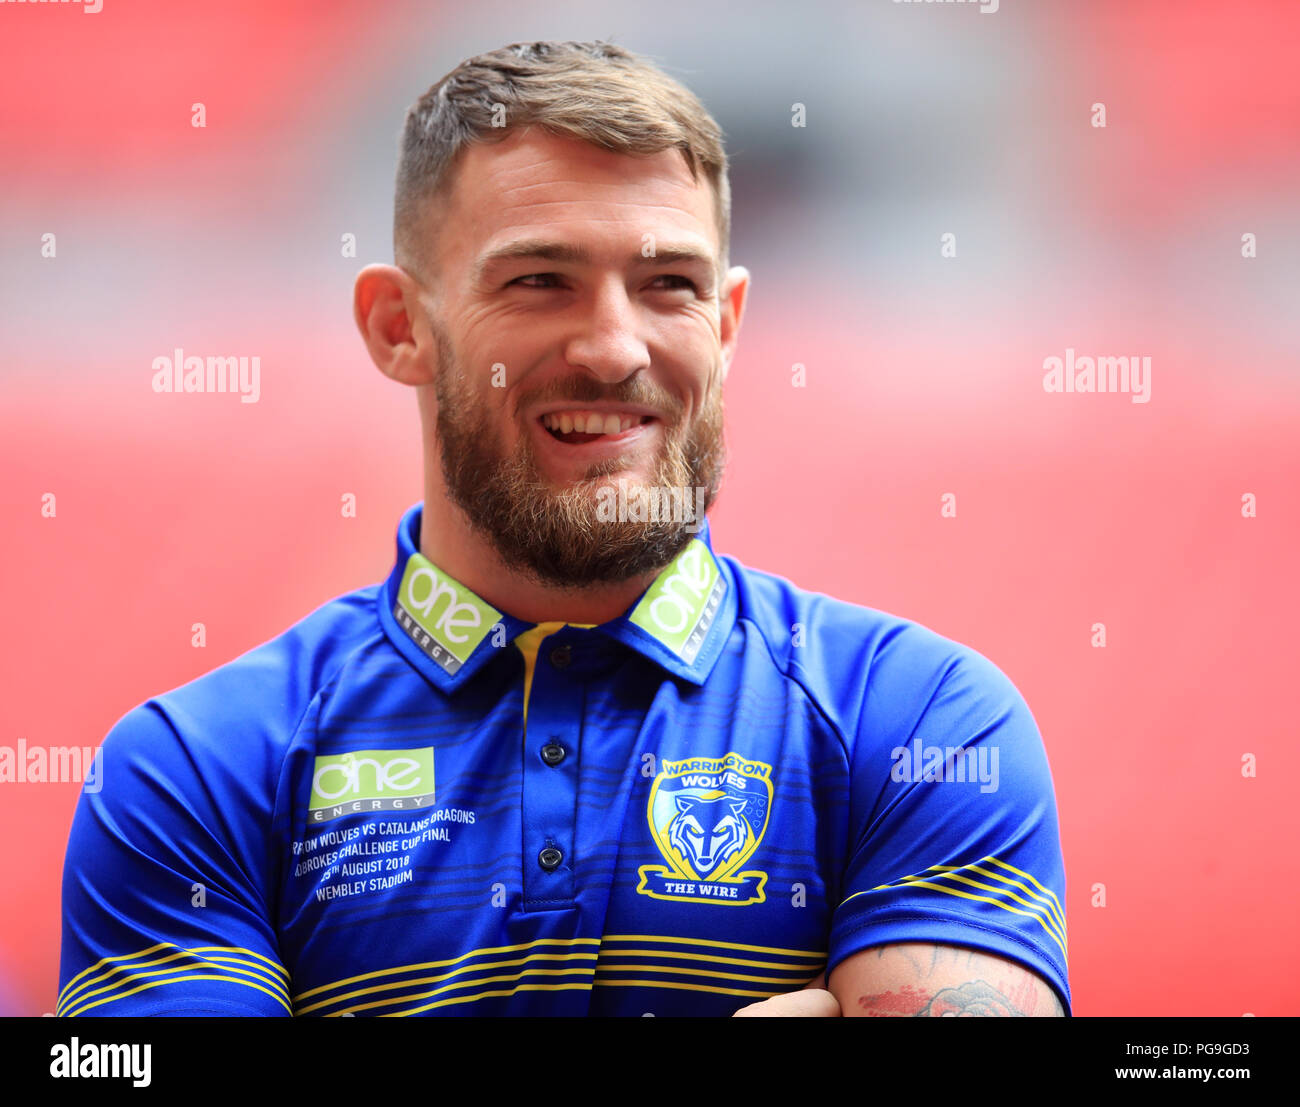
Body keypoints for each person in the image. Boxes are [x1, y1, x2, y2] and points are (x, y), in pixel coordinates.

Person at [58, 40, 1068, 1017]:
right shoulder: (193, 769)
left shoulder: (923, 722)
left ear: (726, 324)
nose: (612, 348)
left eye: (670, 283)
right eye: (539, 280)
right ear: (398, 327)